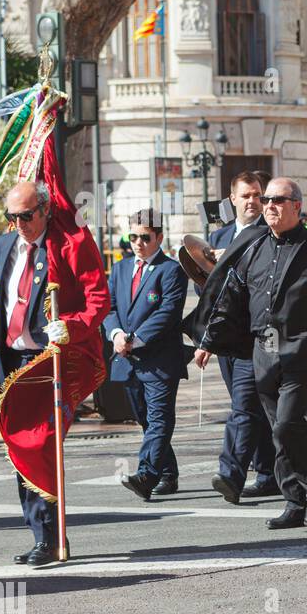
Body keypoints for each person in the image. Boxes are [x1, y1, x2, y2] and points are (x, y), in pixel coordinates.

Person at [194, 177, 307, 530]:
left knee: (287, 425)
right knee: (278, 431)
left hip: (301, 349)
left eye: (278, 200)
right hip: (262, 350)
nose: (269, 205)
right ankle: (293, 501)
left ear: (297, 207)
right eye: (266, 199)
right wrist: (208, 340)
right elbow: (231, 298)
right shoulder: (252, 245)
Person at [0, 180, 108, 567]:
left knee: (40, 445)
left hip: (50, 361)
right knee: (19, 447)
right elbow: (0, 306)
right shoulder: (4, 245)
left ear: (45, 209)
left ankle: (49, 537)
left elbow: (97, 299)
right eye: (12, 217)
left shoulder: (67, 244)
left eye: (26, 215)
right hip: (11, 363)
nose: (19, 224)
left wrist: (72, 325)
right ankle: (42, 535)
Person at [105, 209, 189, 500]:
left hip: (159, 360)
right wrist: (116, 334)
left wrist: (136, 339)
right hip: (126, 359)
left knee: (159, 419)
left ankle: (147, 474)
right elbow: (110, 307)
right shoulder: (120, 268)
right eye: (133, 237)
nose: (138, 243)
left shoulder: (171, 270)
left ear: (159, 237)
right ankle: (168, 473)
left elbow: (168, 312)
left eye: (145, 237)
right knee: (145, 419)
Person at [208, 171, 277, 503]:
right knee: (257, 410)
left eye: (258, 195)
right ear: (232, 199)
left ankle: (230, 474)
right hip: (225, 340)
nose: (253, 201)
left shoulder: (270, 236)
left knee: (243, 407)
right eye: (246, 195)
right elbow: (203, 287)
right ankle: (270, 473)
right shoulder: (218, 236)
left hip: (256, 339)